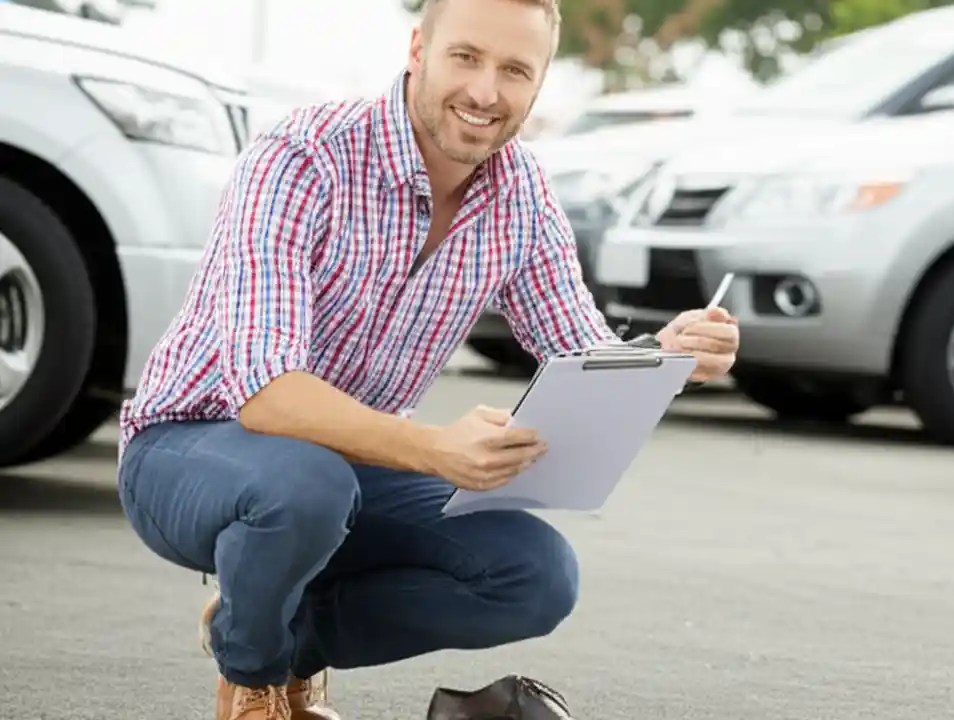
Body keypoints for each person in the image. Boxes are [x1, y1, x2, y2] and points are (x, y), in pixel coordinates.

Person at [114, 0, 739, 718]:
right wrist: (436, 448)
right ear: (419, 49)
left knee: (535, 576)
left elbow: (579, 353)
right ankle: (252, 679)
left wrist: (665, 359)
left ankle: (288, 639)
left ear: (538, 85)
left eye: (514, 70)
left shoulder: (521, 194)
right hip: (187, 449)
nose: (484, 92)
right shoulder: (303, 157)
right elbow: (267, 394)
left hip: (351, 470)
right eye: (466, 58)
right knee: (306, 487)